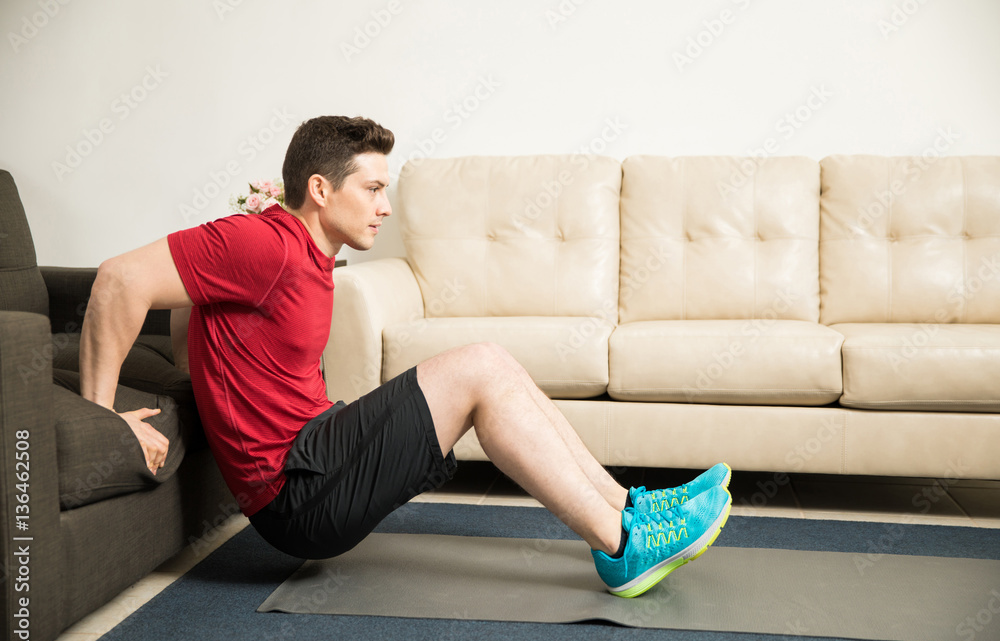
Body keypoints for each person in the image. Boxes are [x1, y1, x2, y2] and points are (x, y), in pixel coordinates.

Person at [79, 115, 733, 598]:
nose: (386, 207)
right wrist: (103, 421)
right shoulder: (264, 242)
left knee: (494, 363)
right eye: (372, 189)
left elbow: (191, 310)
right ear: (319, 189)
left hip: (317, 456)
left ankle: (631, 509)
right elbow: (118, 280)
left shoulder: (302, 255)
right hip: (296, 495)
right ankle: (622, 545)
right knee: (478, 367)